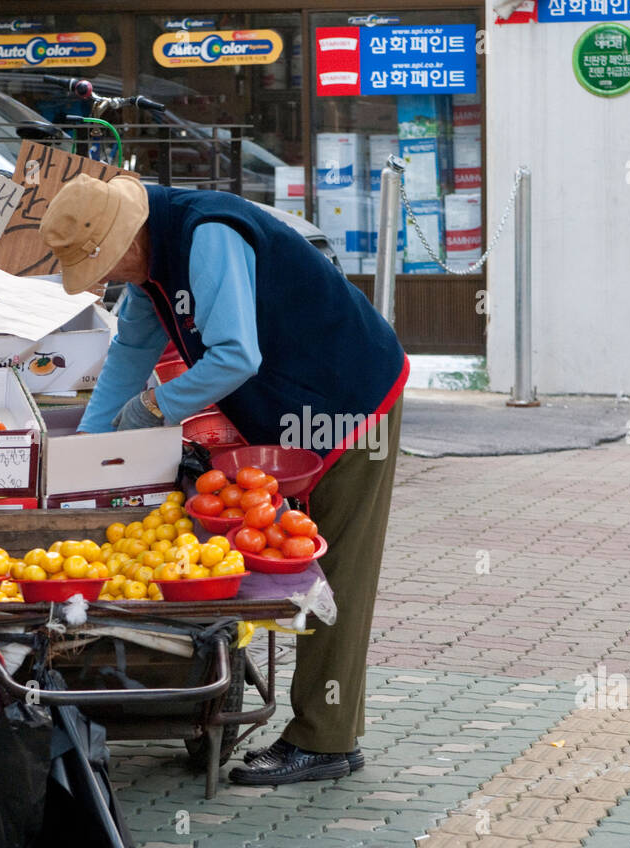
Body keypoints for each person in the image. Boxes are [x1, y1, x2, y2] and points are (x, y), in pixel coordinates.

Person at [40, 173, 408, 785]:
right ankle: (327, 727)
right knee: (295, 558)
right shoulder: (150, 270)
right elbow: (128, 360)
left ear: (130, 235)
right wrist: (85, 458)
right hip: (289, 413)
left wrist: (154, 411)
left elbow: (237, 356)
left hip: (352, 401)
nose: (110, 277)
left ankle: (326, 741)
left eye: (106, 263)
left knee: (335, 569)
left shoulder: (206, 234)